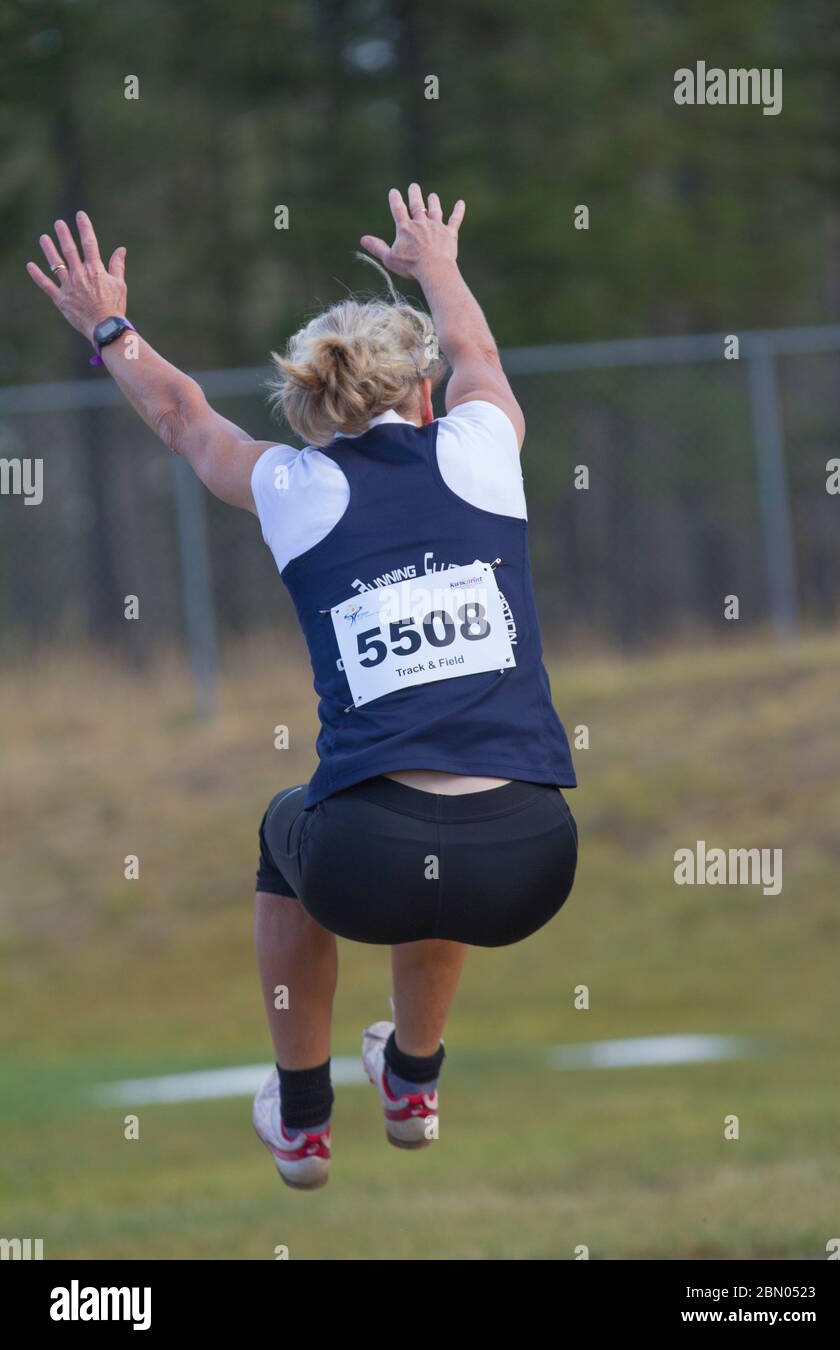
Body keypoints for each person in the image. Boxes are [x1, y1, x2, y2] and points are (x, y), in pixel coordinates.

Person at [27, 186, 578, 1191]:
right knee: (443, 828)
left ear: (315, 400)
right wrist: (437, 263)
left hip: (364, 857)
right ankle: (412, 1081)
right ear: (420, 392)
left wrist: (106, 323)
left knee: (295, 827)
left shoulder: (296, 487)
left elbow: (182, 419)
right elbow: (481, 363)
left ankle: (303, 1111)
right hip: (534, 855)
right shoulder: (479, 453)